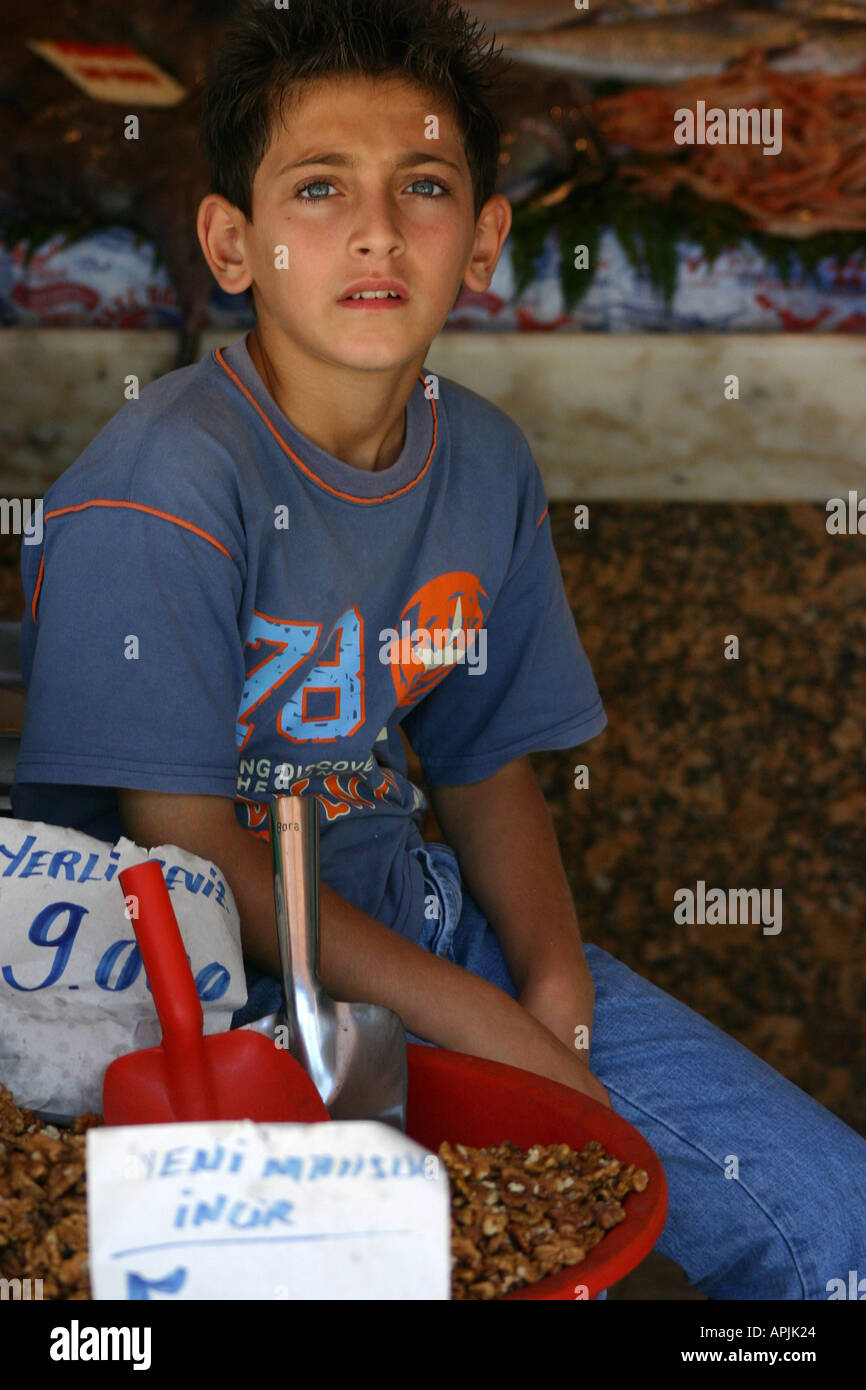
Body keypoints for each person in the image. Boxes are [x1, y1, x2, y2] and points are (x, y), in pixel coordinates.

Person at [12, 0, 866, 1299]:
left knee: (827, 1230)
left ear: (480, 241)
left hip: (409, 925)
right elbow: (185, 838)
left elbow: (481, 767)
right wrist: (486, 1030)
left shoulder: (480, 458)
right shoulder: (163, 487)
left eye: (421, 185)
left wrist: (547, 981)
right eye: (318, 186)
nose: (373, 228)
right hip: (162, 986)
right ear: (231, 243)